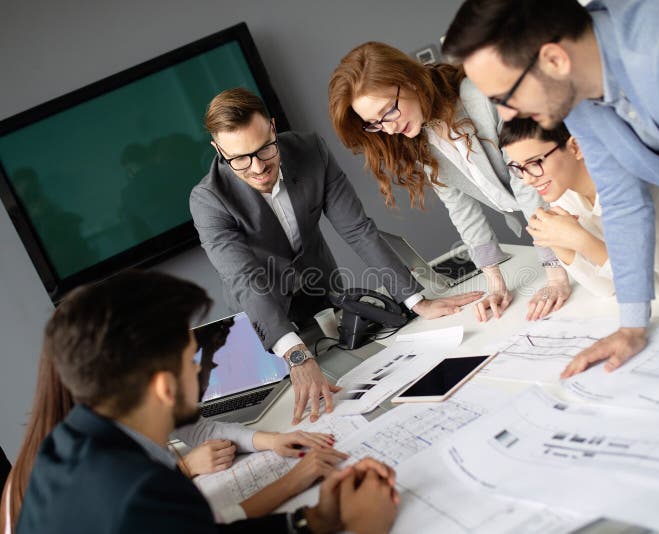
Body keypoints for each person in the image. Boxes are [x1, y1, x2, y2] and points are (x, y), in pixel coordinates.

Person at [442, 0, 659, 426]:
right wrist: (632, 325)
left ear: (554, 59)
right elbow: (624, 197)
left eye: (505, 96)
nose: (503, 115)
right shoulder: (580, 94)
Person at [11, 271, 399, 534]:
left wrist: (308, 520)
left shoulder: (66, 447)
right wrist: (364, 527)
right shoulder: (141, 494)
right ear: (164, 387)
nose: (204, 373)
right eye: (193, 361)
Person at [190, 88, 482, 426]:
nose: (257, 168)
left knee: (364, 389)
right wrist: (295, 356)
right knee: (298, 415)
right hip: (267, 316)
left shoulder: (310, 150)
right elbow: (245, 279)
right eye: (239, 159)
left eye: (264, 150)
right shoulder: (208, 200)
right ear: (218, 150)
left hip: (325, 294)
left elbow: (357, 229)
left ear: (272, 128)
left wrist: (416, 301)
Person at [328, 41, 573, 323]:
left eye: (389, 111)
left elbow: (525, 181)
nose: (390, 127)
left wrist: (554, 271)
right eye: (376, 123)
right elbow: (461, 207)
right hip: (555, 227)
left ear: (410, 82)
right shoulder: (420, 138)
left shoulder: (478, 98)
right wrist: (495, 282)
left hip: (573, 205)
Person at [0, 350, 348, 533]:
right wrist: (295, 487)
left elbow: (196, 429)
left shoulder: (86, 433)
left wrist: (272, 440)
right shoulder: (92, 471)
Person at [499, 118, 659, 297]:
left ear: (575, 146)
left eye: (534, 163)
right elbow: (606, 290)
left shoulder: (632, 183)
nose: (528, 178)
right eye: (518, 168)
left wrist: (581, 240)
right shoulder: (564, 199)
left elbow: (655, 287)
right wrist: (562, 246)